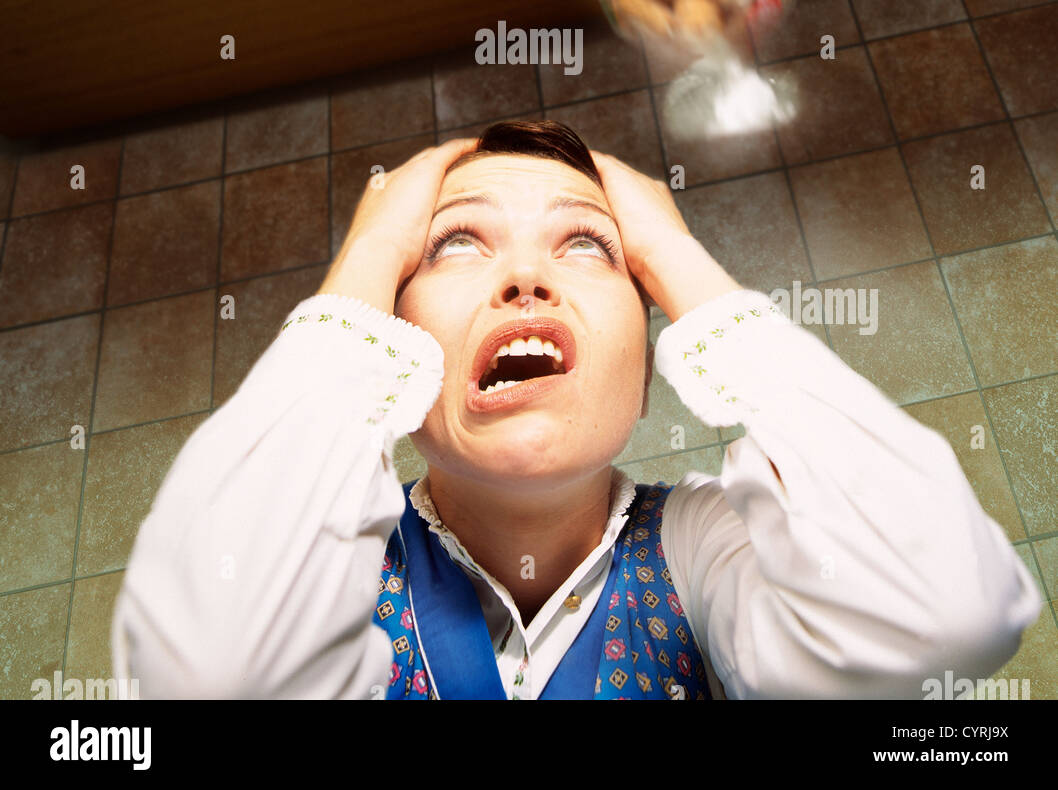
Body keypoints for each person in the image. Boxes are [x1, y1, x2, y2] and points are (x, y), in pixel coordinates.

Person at [111, 119, 1040, 700]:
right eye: (456, 244)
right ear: (394, 354)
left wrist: (675, 255)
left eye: (588, 246)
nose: (525, 276)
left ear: (648, 371)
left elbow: (947, 614)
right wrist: (369, 252)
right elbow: (209, 679)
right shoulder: (329, 575)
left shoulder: (703, 549)